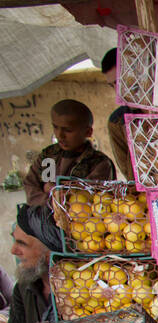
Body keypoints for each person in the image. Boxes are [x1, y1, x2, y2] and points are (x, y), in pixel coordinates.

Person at [0, 205, 60, 323]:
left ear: (48, 251)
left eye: (22, 244)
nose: (13, 250)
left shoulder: (80, 291)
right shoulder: (24, 288)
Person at [22, 99, 116, 208]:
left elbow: (88, 199)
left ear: (88, 132)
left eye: (68, 130)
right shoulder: (49, 156)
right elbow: (31, 186)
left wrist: (53, 191)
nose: (59, 135)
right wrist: (52, 200)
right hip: (43, 217)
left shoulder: (99, 163)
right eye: (55, 127)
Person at [101, 49, 134, 180]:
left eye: (119, 81)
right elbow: (127, 171)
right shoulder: (117, 121)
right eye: (112, 85)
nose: (117, 90)